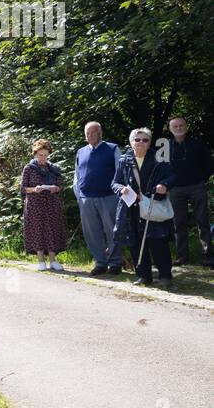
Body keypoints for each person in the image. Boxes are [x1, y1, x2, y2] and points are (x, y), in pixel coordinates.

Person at [112, 127, 175, 287]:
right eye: (137, 139)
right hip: (132, 208)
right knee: (135, 241)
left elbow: (172, 176)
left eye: (145, 140)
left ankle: (165, 276)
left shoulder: (158, 158)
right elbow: (114, 183)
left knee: (158, 242)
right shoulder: (124, 161)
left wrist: (164, 184)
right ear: (131, 142)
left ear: (150, 143)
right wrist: (121, 189)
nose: (141, 142)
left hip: (153, 204)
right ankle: (143, 276)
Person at [74, 121, 123, 275]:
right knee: (92, 232)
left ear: (100, 133)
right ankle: (100, 262)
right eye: (87, 133)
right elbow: (77, 175)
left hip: (108, 196)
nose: (90, 135)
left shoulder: (112, 148)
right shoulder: (81, 152)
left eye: (93, 132)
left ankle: (115, 263)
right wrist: (78, 195)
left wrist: (119, 192)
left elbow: (120, 172)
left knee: (112, 231)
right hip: (86, 198)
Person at [163, 116, 213, 267]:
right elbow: (161, 169)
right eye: (175, 126)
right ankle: (182, 257)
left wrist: (201, 180)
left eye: (181, 125)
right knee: (178, 223)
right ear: (170, 129)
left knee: (202, 221)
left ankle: (207, 256)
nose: (178, 128)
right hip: (175, 189)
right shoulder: (165, 148)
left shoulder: (197, 144)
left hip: (196, 186)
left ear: (186, 126)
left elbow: (209, 164)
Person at [21, 139, 69, 271]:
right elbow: (23, 188)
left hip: (52, 204)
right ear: (35, 154)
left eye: (45, 155)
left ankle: (53, 261)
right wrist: (34, 189)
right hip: (35, 204)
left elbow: (61, 186)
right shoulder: (29, 168)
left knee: (52, 230)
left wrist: (56, 188)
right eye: (40, 155)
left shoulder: (53, 169)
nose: (43, 158)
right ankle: (41, 260)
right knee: (38, 230)